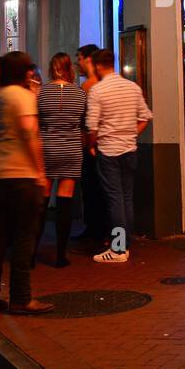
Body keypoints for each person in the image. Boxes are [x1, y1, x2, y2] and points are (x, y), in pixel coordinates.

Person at [0, 51, 54, 315]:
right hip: (22, 175)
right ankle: (21, 298)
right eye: (29, 69)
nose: (32, 73)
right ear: (22, 72)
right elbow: (30, 135)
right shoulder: (22, 97)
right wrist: (41, 173)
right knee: (24, 238)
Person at [86, 48, 152, 263]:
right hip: (130, 150)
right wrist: (132, 133)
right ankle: (125, 244)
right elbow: (145, 117)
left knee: (115, 199)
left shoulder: (98, 90)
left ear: (97, 66)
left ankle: (118, 249)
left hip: (109, 150)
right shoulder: (132, 87)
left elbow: (91, 126)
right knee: (126, 198)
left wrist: (91, 145)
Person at [35, 53, 88, 268]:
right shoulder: (80, 94)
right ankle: (60, 255)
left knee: (42, 202)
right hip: (71, 149)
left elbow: (37, 121)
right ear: (69, 68)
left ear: (51, 68)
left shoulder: (42, 92)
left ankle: (30, 253)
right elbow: (83, 122)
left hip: (48, 149)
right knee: (65, 202)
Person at [75, 44, 106, 242]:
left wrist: (89, 142)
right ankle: (95, 228)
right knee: (94, 189)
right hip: (95, 144)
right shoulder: (92, 84)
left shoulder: (90, 87)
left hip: (92, 145)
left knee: (93, 188)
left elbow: (86, 119)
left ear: (88, 60)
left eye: (79, 58)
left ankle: (97, 230)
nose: (77, 62)